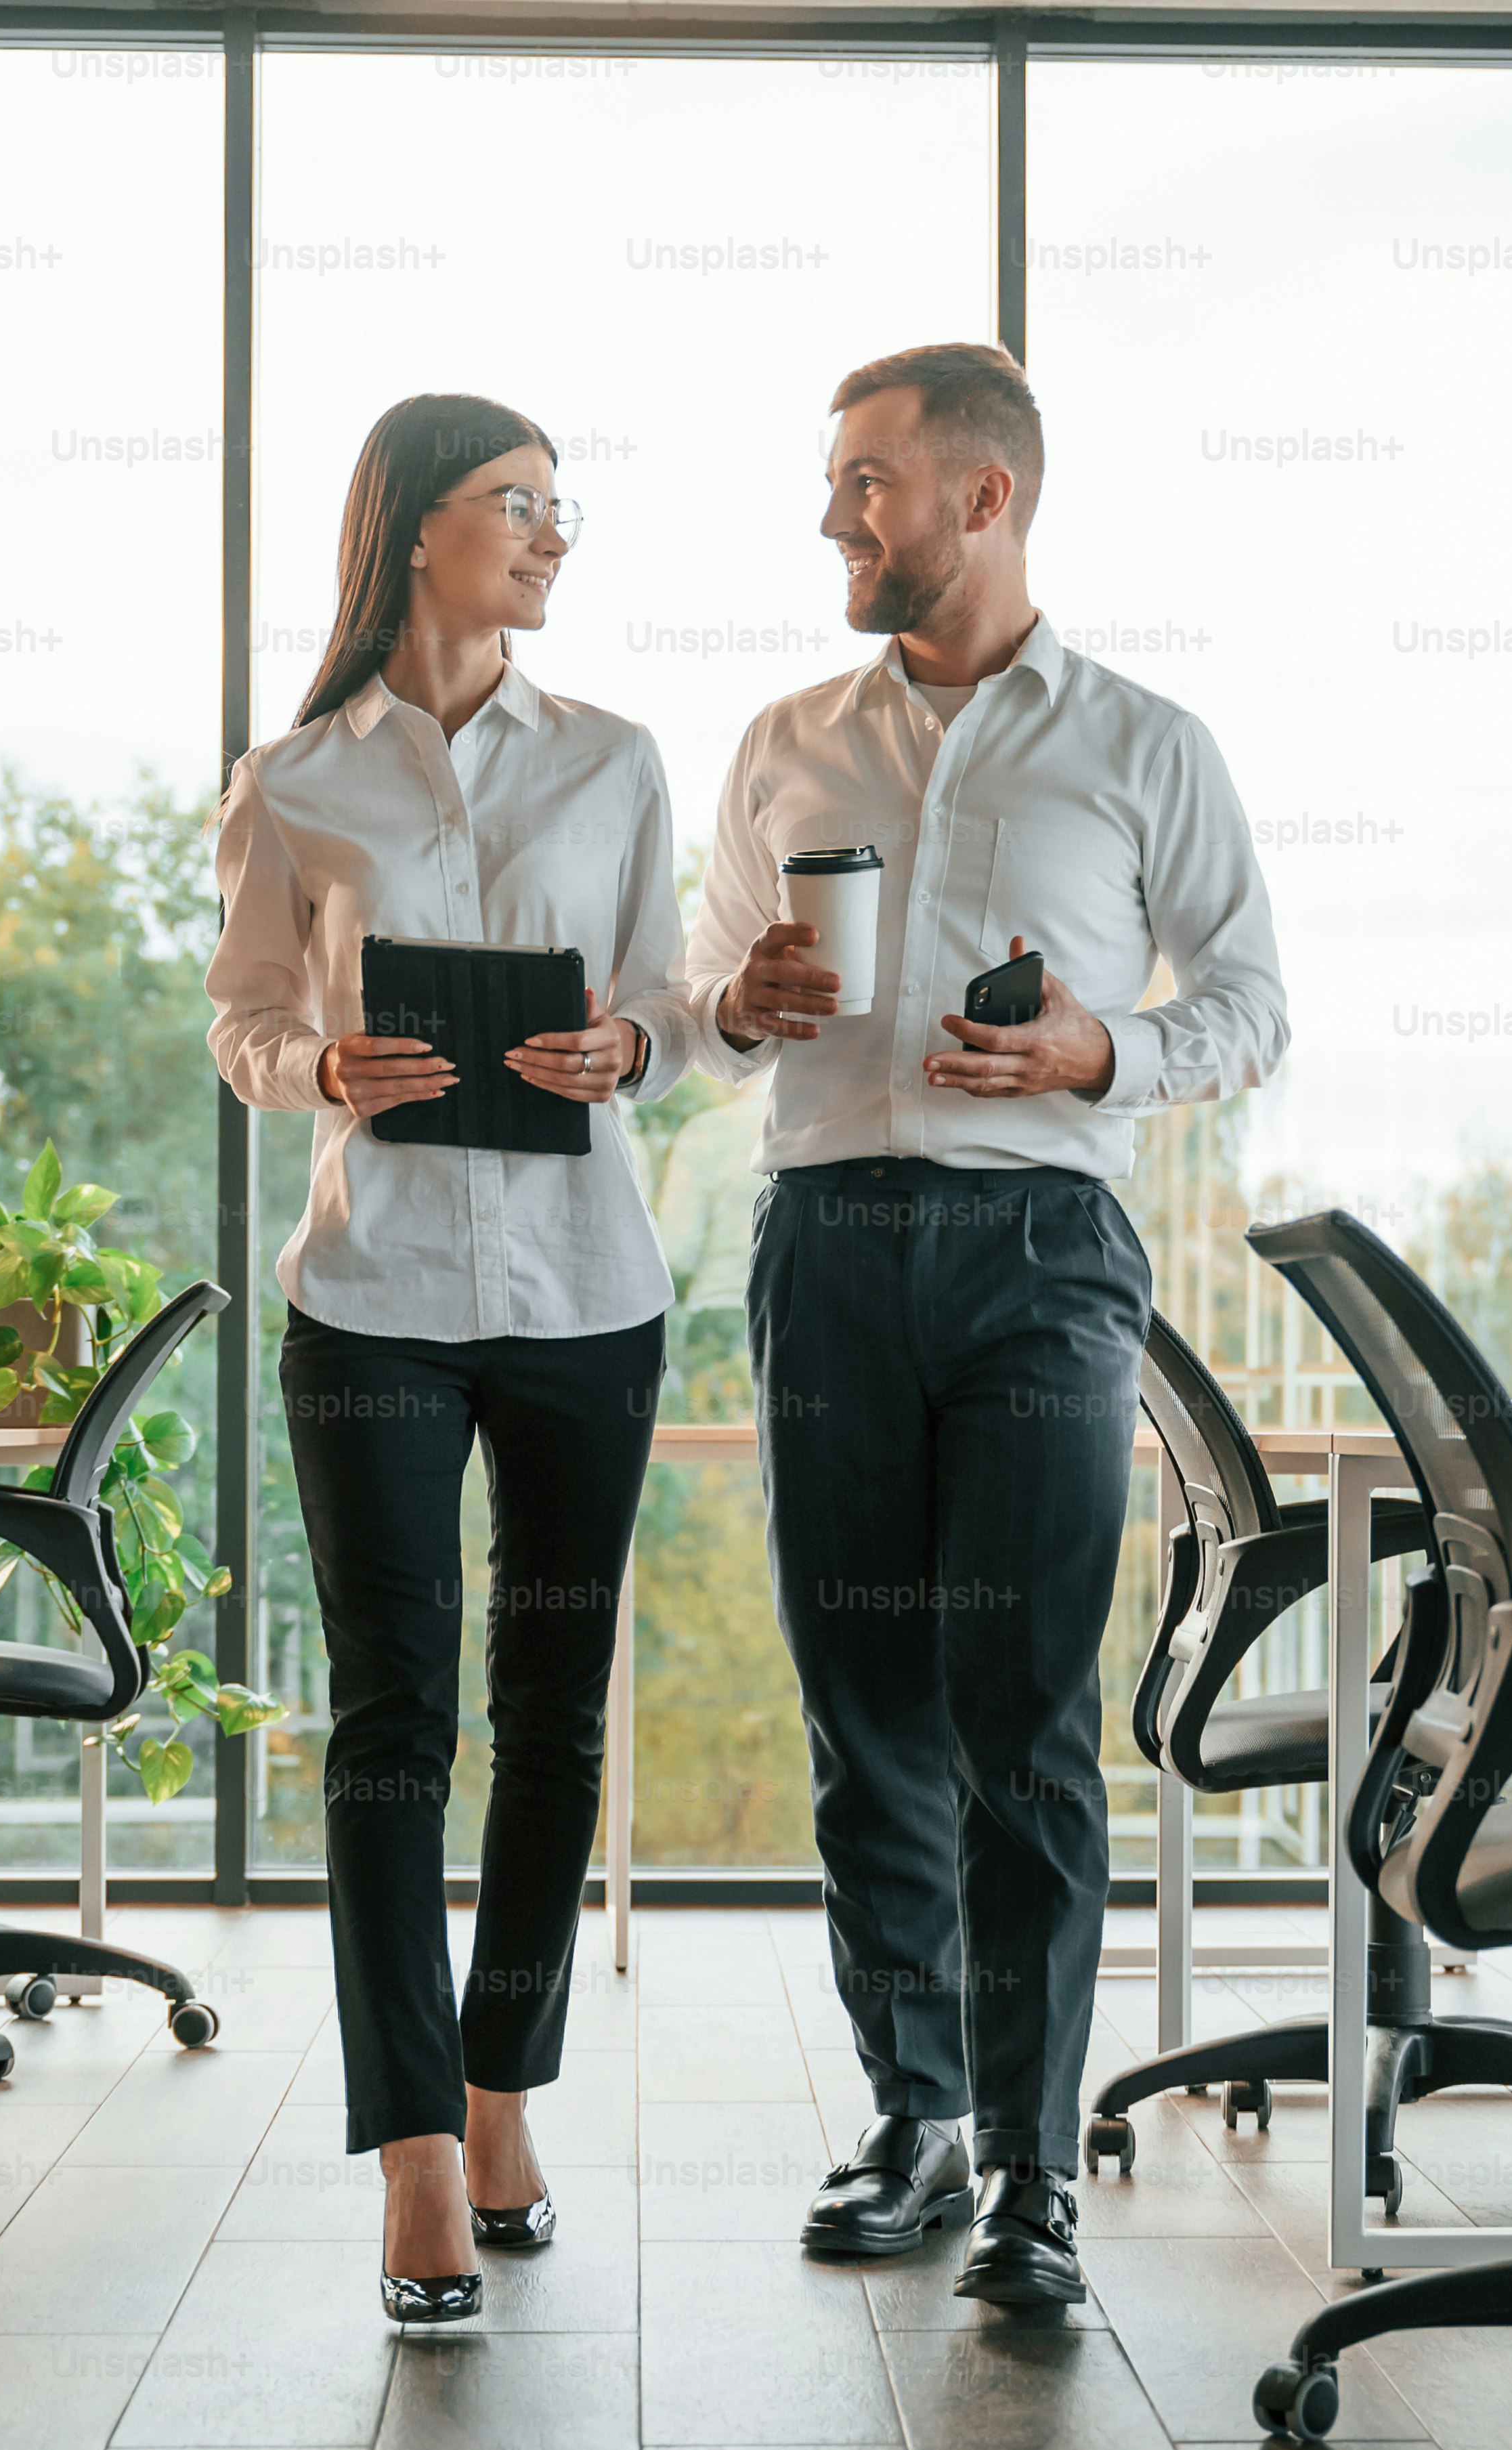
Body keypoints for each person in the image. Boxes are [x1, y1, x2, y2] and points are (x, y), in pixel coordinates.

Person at [678, 343, 1288, 2306]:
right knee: (868, 1717)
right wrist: (739, 1004)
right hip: (829, 1239)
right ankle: (916, 2118)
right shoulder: (784, 740)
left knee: (1019, 1723)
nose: (837, 515)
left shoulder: (1142, 742)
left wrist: (1103, 1046)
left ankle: (1035, 2171)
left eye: (867, 480)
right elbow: (698, 1001)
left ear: (984, 498)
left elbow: (1256, 1006)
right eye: (838, 482)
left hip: (1045, 1253)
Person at [205, 393, 693, 2327]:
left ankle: (504, 2099)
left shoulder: (619, 764)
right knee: (397, 1722)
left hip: (590, 1292)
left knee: (555, 1718)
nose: (554, 538)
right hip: (377, 1295)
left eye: (564, 511)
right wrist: (318, 1065)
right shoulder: (296, 781)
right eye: (519, 507)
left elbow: (667, 989)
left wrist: (630, 1050)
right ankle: (413, 2155)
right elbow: (242, 1019)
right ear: (419, 528)